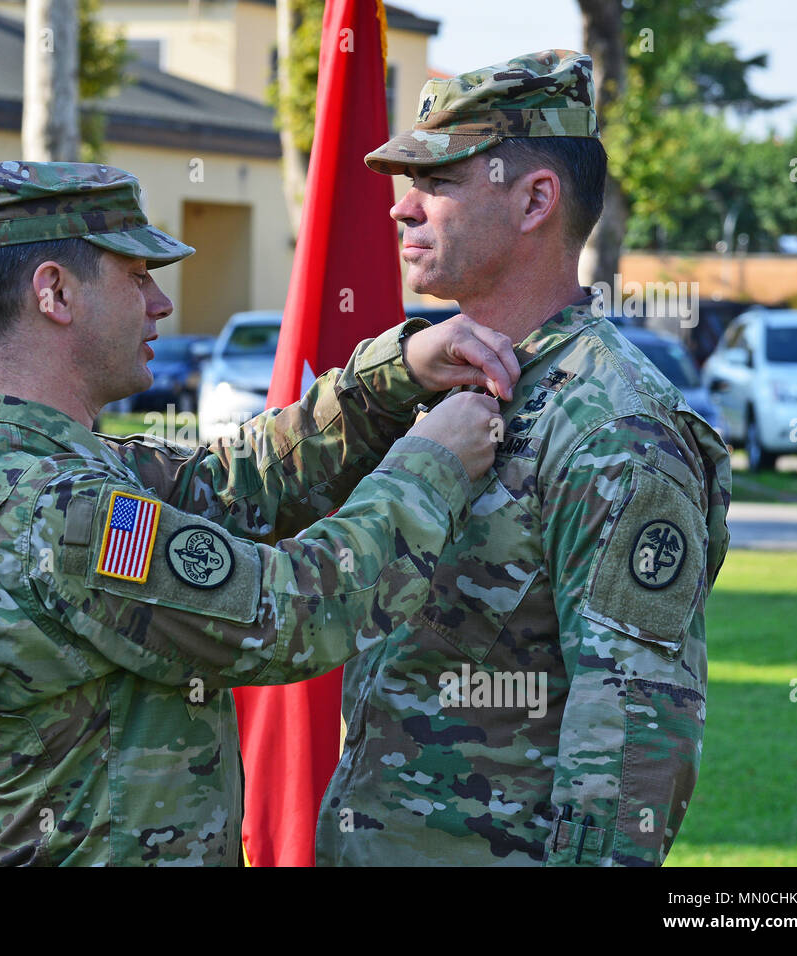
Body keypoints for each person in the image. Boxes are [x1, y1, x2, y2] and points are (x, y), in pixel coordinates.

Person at [0, 160, 519, 866]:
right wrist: (431, 467)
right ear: (55, 292)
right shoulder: (59, 510)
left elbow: (224, 484)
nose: (160, 303)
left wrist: (391, 376)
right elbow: (292, 613)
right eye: (137, 276)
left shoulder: (11, 466)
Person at [314, 50, 732, 866]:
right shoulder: (439, 380)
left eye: (438, 183)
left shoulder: (616, 427)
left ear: (536, 199)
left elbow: (631, 743)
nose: (403, 211)